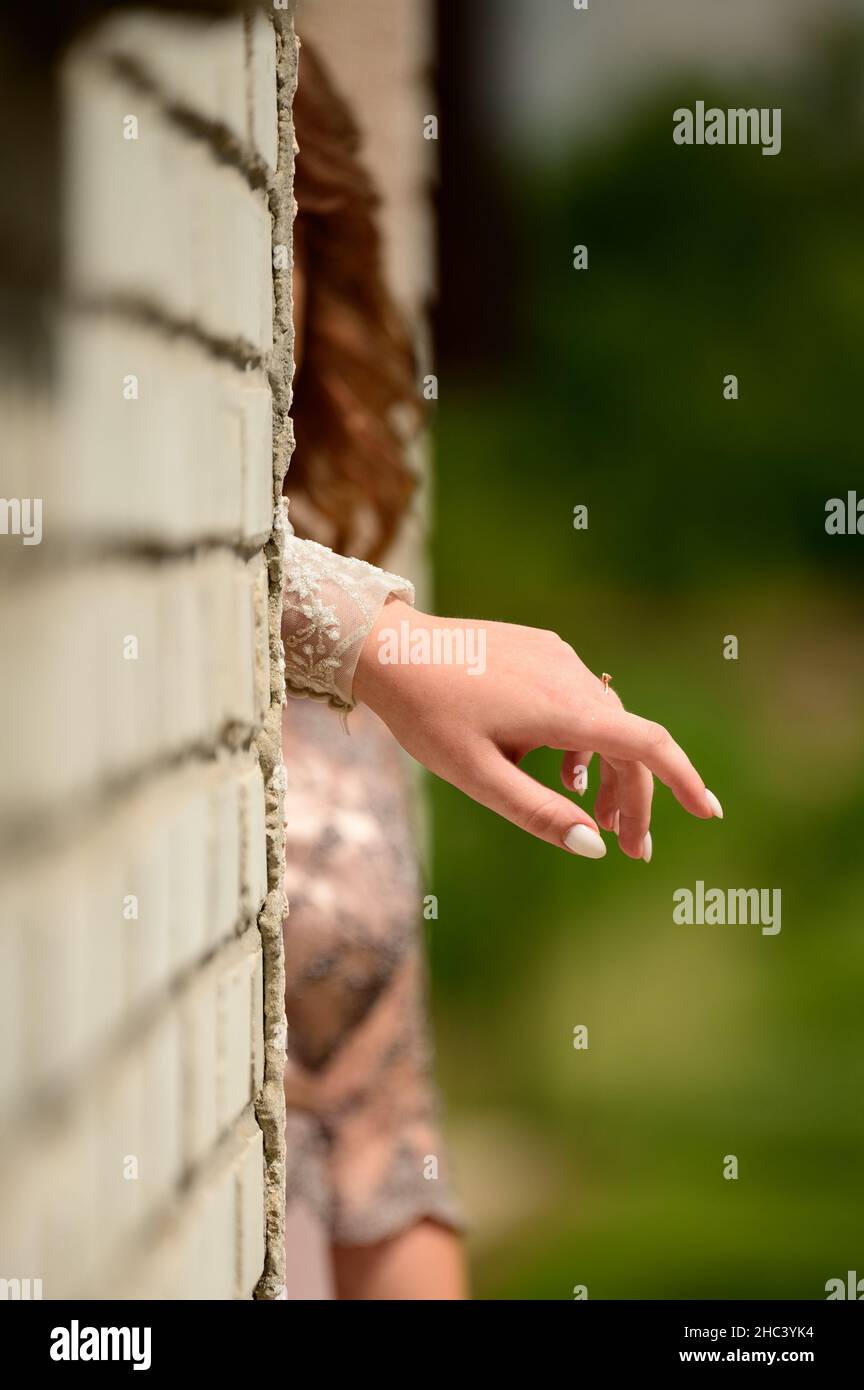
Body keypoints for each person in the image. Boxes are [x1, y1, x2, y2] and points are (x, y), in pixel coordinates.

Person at [282, 40, 722, 1302]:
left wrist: (372, 645)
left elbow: (384, 1142)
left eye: (288, 240)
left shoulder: (373, 701)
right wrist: (369, 633)